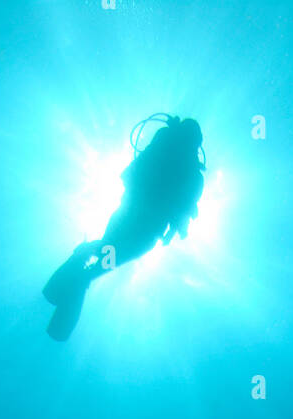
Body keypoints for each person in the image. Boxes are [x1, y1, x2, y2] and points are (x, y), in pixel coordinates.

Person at [44, 115, 205, 340]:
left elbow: (132, 175)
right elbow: (184, 209)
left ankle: (81, 263)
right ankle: (82, 270)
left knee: (107, 253)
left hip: (129, 216)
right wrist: (176, 228)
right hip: (146, 229)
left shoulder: (167, 150)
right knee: (108, 258)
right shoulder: (191, 173)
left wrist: (175, 224)